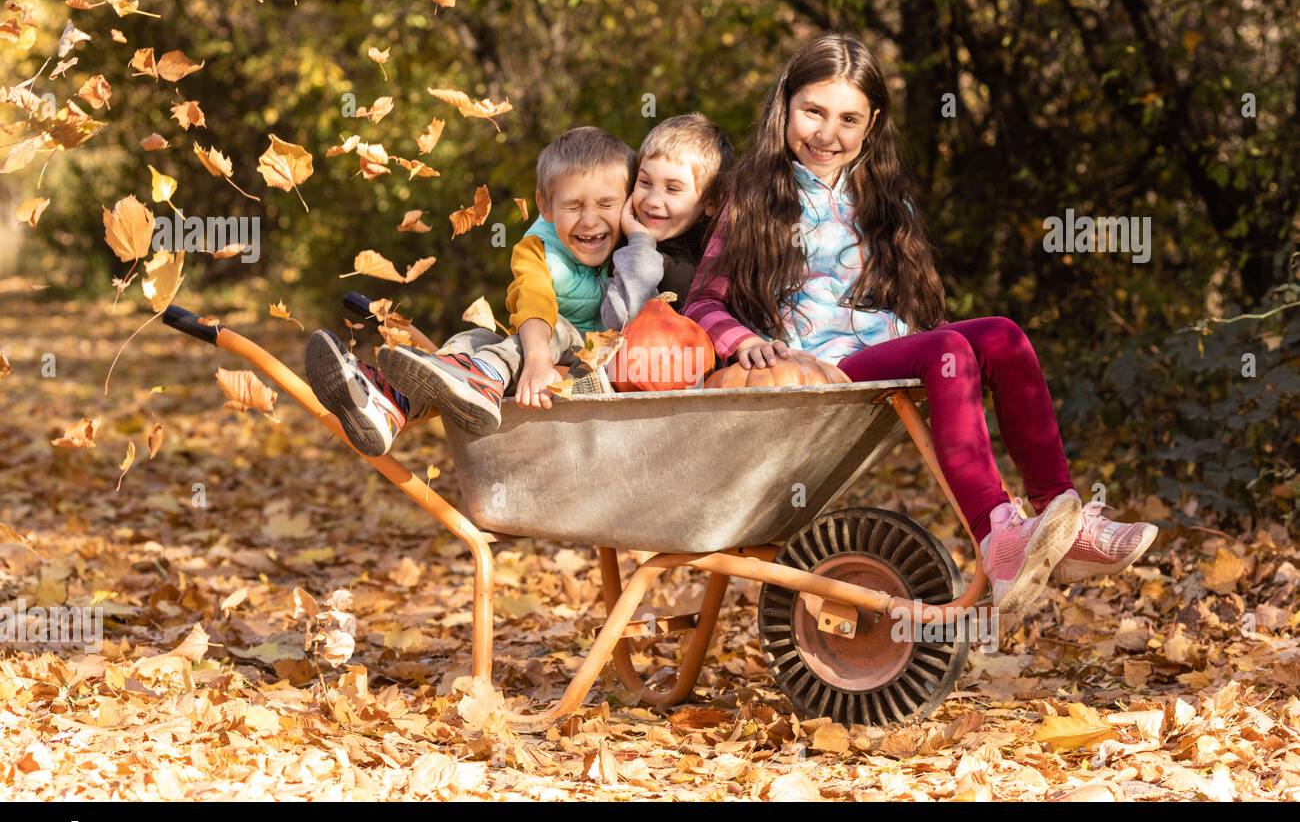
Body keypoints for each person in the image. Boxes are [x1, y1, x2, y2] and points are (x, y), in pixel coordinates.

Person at [684, 32, 1157, 613]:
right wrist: (746, 340)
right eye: (813, 111)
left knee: (1003, 335)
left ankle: (1066, 517)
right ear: (784, 104)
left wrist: (942, 343)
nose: (828, 134)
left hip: (890, 347)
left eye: (849, 118)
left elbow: (918, 309)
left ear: (872, 122)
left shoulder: (882, 197)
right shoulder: (753, 194)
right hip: (822, 366)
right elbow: (702, 301)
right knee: (947, 352)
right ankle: (997, 534)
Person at [304, 126, 635, 449]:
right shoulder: (537, 250)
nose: (590, 219)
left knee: (551, 330)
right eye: (573, 206)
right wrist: (537, 359)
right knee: (473, 339)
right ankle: (393, 402)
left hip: (591, 372)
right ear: (545, 206)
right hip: (537, 363)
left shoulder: (635, 248)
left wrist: (537, 358)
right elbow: (534, 301)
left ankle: (481, 377)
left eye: (606, 204)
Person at [600, 112, 733, 328]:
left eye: (672, 189)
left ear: (711, 203)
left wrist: (640, 243)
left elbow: (627, 320)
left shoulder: (706, 263)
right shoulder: (615, 232)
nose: (653, 201)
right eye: (645, 182)